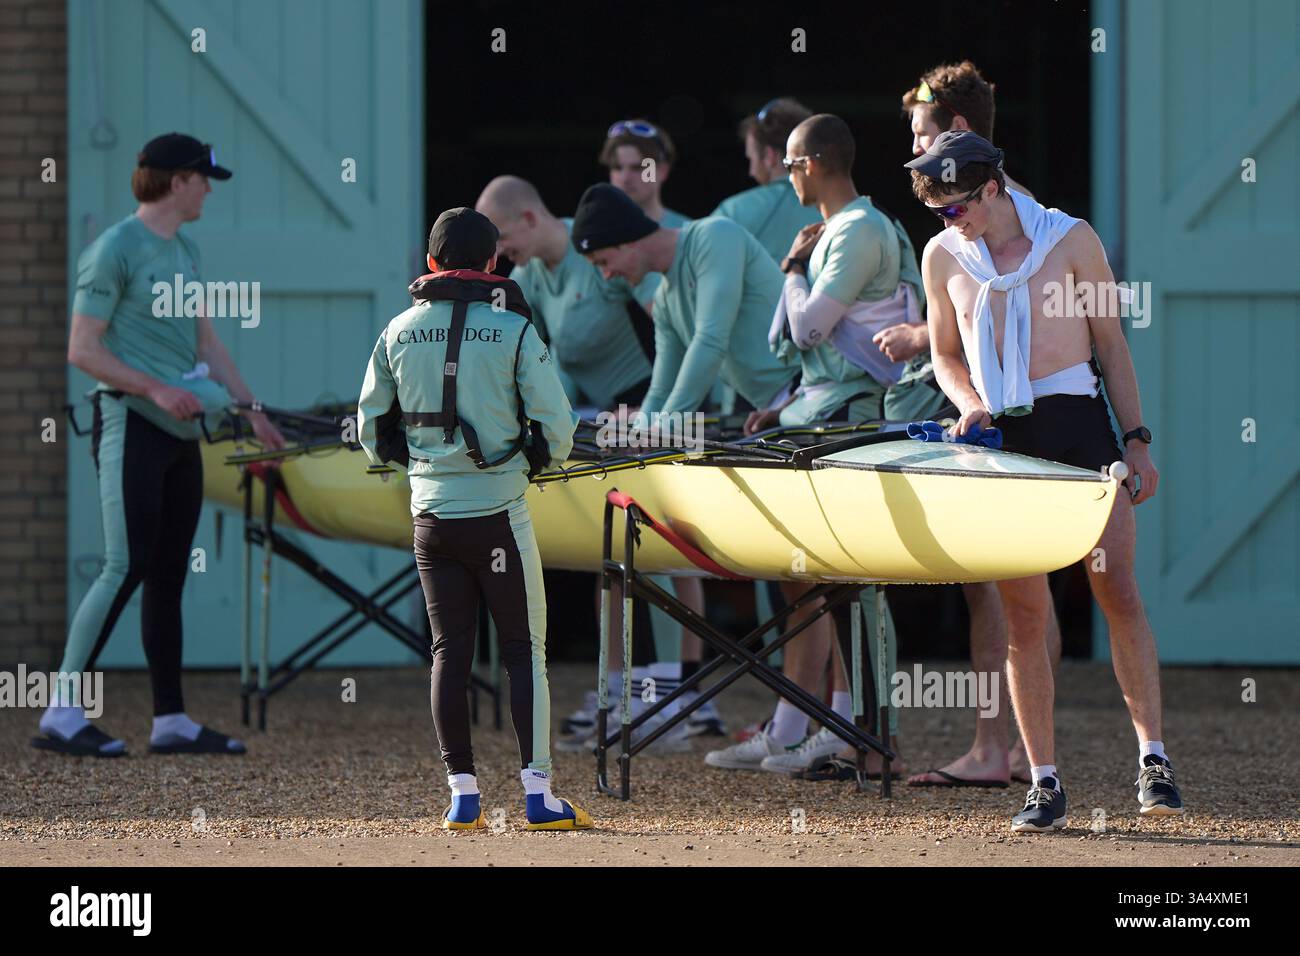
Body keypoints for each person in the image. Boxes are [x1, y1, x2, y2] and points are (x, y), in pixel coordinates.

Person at [907, 130, 1183, 830]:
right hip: (1002, 439)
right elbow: (944, 354)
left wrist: (1138, 442)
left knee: (1114, 586)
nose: (948, 220)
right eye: (938, 210)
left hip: (1077, 424)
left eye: (956, 206)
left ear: (994, 188)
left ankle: (1153, 757)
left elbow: (1112, 346)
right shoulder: (943, 255)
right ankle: (1045, 783)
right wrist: (968, 404)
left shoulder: (1068, 239)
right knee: (1024, 616)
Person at [34, 133, 284, 758]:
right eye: (204, 180)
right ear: (177, 182)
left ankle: (169, 721)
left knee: (168, 574)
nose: (208, 190)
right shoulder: (114, 249)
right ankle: (61, 711)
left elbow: (206, 343)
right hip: (130, 424)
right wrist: (156, 390)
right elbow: (82, 350)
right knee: (126, 564)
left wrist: (251, 408)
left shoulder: (186, 249)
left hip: (180, 435)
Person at [357, 207, 591, 831]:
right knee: (523, 651)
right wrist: (530, 465)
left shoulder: (397, 331)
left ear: (430, 264)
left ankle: (463, 797)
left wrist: (420, 466)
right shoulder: (515, 330)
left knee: (448, 651)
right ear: (492, 265)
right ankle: (538, 797)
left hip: (430, 521)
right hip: (500, 517)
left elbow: (370, 432)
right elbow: (559, 429)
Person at [710, 114, 922, 775]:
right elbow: (815, 352)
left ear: (815, 163)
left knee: (846, 580)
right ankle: (805, 724)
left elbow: (806, 330)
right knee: (808, 576)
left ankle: (856, 729)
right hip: (820, 414)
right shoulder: (843, 228)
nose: (783, 174)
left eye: (792, 163)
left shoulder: (855, 230)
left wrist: (797, 267)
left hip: (851, 424)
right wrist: (777, 406)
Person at [474, 176, 714, 747]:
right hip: (596, 424)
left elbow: (671, 325)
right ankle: (621, 690)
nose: (499, 255)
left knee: (665, 553)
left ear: (531, 219)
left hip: (648, 415)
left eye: (503, 238)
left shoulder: (598, 255)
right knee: (607, 553)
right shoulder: (529, 275)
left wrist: (661, 409)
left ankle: (684, 692)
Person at [887, 61, 1065, 789]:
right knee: (1021, 588)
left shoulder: (987, 216)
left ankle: (998, 749)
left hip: (1006, 425)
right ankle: (1020, 749)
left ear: (958, 133)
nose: (916, 157)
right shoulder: (1019, 209)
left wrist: (921, 343)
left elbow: (998, 326)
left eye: (924, 139)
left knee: (997, 589)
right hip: (1021, 417)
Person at [711, 98, 821, 265]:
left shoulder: (731, 212)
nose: (751, 171)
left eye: (751, 159)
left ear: (770, 156)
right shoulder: (840, 207)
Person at [600, 119, 689, 227]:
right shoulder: (587, 232)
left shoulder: (688, 233)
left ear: (662, 171)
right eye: (617, 167)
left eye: (637, 168)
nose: (625, 178)